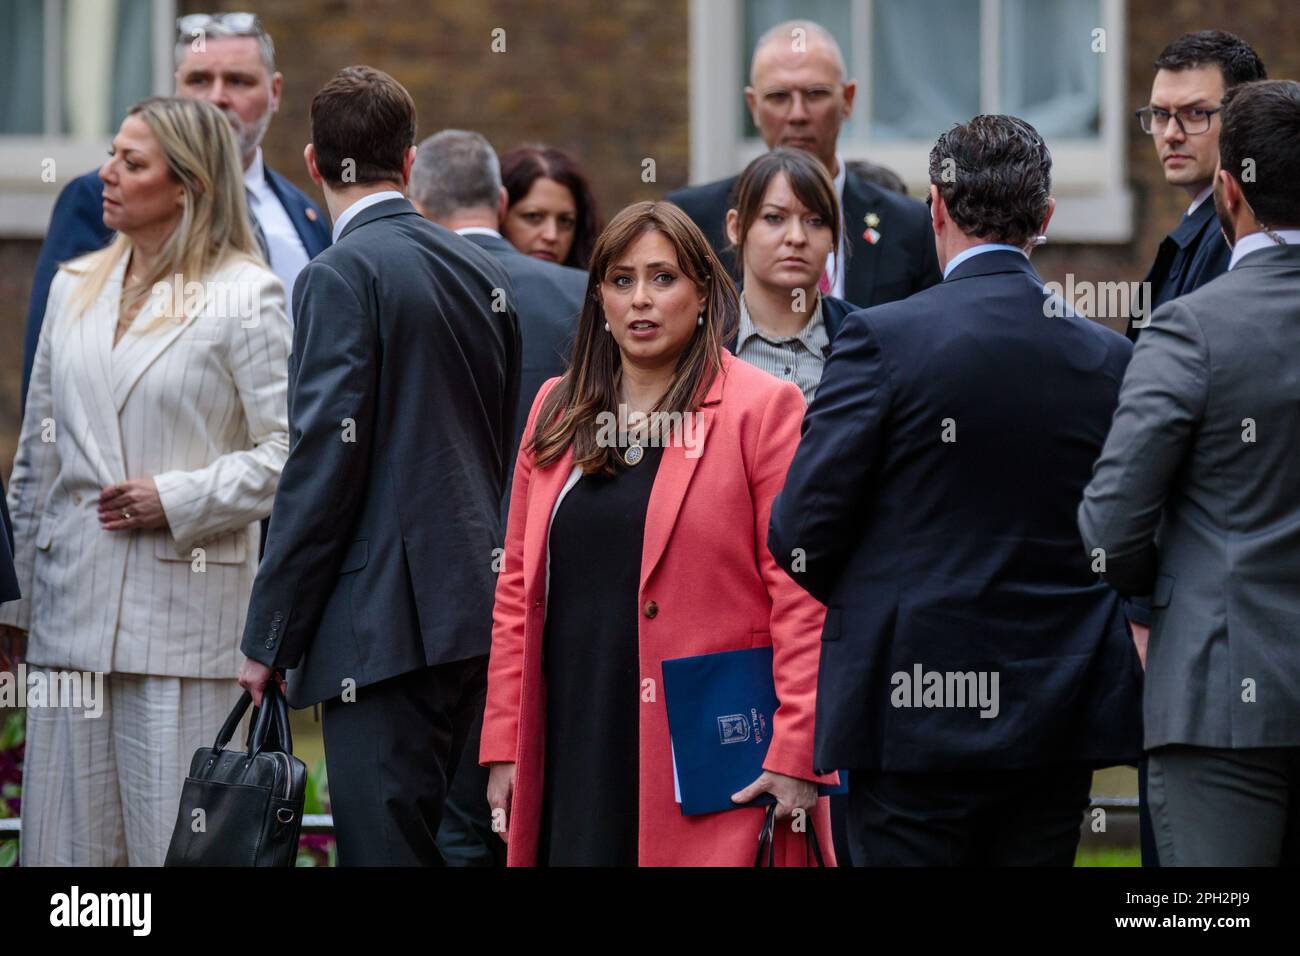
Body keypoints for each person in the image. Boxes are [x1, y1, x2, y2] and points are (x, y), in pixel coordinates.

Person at [769, 115, 1143, 866]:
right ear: (1044, 218)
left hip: (910, 713)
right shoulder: (1109, 357)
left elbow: (800, 531)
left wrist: (879, 595)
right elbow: (1128, 538)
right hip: (1054, 710)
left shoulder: (879, 338)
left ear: (934, 206)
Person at [480, 200, 836, 867]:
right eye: (621, 280)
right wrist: (505, 742)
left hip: (707, 745)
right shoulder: (556, 409)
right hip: (573, 730)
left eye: (663, 278)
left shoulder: (762, 408)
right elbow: (516, 588)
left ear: (703, 293)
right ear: (600, 299)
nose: (641, 299)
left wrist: (799, 747)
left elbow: (800, 593)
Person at [236, 67, 521, 867]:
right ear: (408, 158)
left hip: (380, 634)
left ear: (312, 160)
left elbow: (324, 461)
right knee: (465, 851)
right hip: (477, 615)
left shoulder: (336, 275)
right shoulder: (481, 271)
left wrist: (270, 636)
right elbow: (496, 443)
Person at [0, 96, 291, 866]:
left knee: (176, 853)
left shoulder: (247, 295)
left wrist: (180, 497)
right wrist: (14, 603)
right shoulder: (73, 284)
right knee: (65, 862)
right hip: (70, 620)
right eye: (112, 155)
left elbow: (291, 454)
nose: (107, 175)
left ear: (187, 185)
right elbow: (37, 456)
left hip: (187, 628)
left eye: (133, 162)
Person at [1079, 79, 1300, 867]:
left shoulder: (1193, 328)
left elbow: (1109, 524)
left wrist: (1166, 592)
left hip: (1218, 693)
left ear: (1229, 189)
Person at [409, 128, 586, 866]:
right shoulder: (581, 296)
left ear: (415, 192)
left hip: (422, 603)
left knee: (441, 823)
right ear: (504, 202)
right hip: (556, 589)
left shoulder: (398, 280)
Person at [21, 10, 329, 400]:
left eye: (239, 81)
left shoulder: (305, 216)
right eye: (199, 80)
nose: (218, 98)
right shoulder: (100, 198)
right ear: (175, 91)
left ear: (275, 93)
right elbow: (48, 368)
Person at [1124, 30, 1265, 865]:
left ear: (1238, 123)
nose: (1171, 133)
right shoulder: (1195, 233)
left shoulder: (1230, 250)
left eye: (1194, 115)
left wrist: (1140, 606)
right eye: (1157, 116)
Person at [666, 19, 938, 307]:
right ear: (754, 106)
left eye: (815, 94)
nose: (797, 114)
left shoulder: (911, 225)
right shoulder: (692, 218)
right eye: (779, 96)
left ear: (848, 99)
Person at [724, 147, 860, 404]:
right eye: (775, 218)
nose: (796, 237)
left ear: (834, 235)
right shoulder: (697, 335)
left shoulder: (864, 340)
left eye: (816, 221)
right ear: (736, 227)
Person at [499, 144, 602, 270]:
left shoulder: (590, 287)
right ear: (500, 213)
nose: (551, 236)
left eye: (565, 221)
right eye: (533, 216)